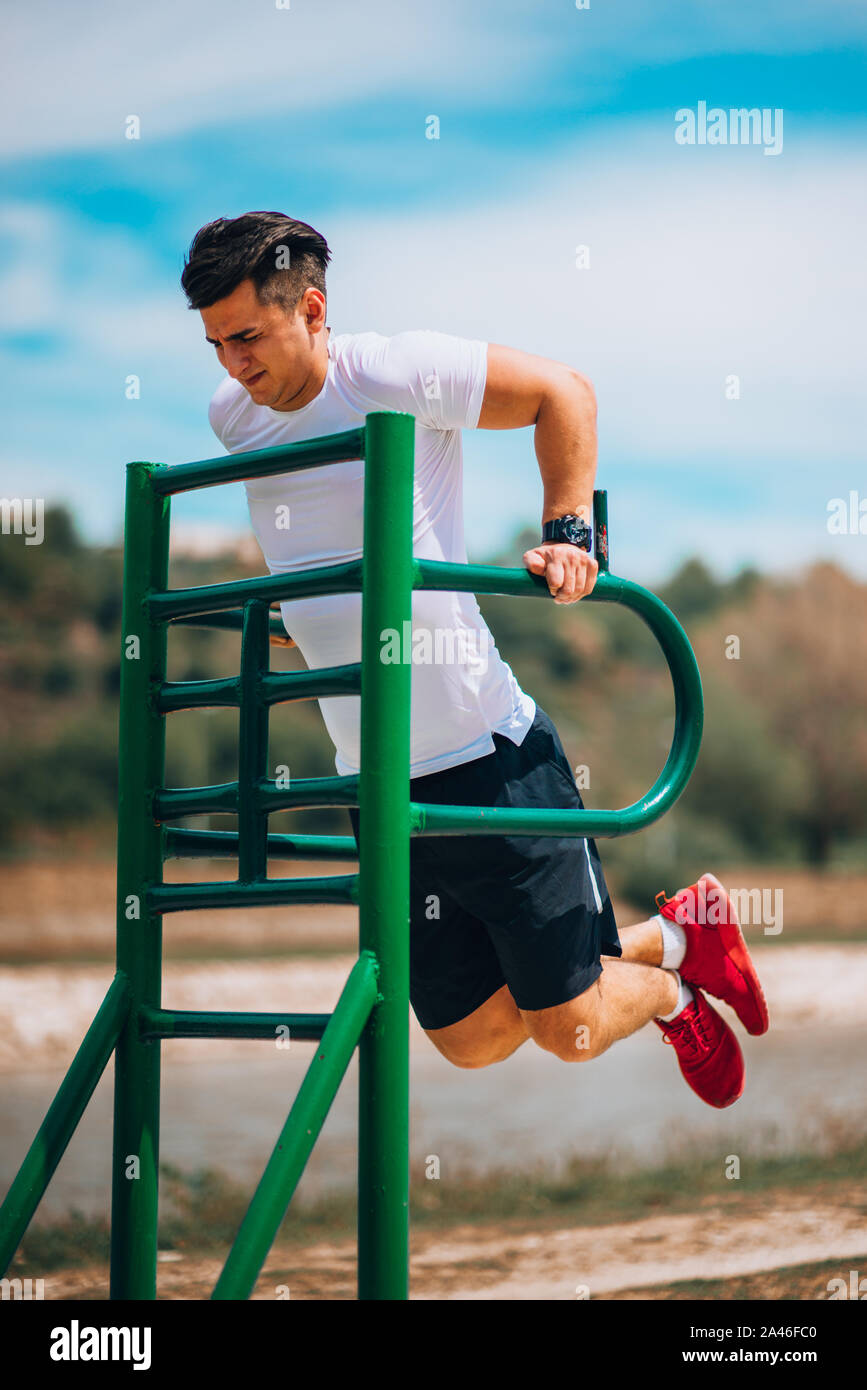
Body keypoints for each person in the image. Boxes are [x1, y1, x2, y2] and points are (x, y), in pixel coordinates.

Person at [181, 211, 768, 1109]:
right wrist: (308, 618)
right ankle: (682, 936)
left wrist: (570, 537)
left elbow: (562, 390)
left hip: (488, 765)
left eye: (248, 337)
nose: (233, 363)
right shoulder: (234, 417)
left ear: (311, 307)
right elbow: (307, 536)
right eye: (216, 343)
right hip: (375, 782)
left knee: (567, 1030)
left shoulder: (386, 370)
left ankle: (675, 988)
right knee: (471, 1038)